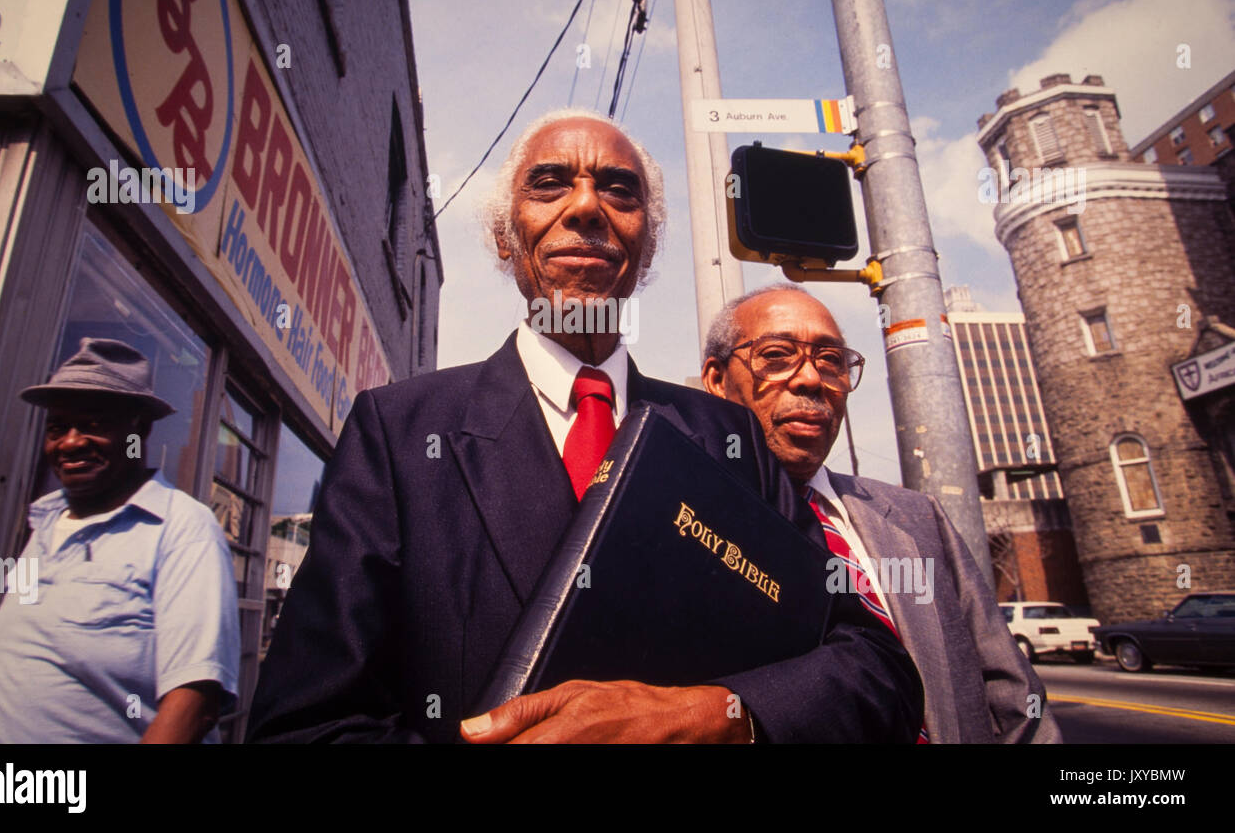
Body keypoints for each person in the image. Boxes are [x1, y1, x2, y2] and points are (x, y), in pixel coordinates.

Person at [246, 109, 922, 743]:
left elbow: (876, 670)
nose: (586, 207)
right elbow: (306, 725)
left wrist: (720, 715)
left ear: (648, 242)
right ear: (505, 237)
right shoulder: (399, 434)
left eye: (618, 190)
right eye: (549, 185)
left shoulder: (730, 439)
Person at [700, 284, 1061, 743]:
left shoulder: (918, 517)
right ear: (716, 379)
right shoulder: (682, 519)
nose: (811, 379)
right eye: (777, 354)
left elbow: (1012, 695)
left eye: (831, 360)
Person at [0, 338, 240, 743]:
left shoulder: (181, 527)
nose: (71, 442)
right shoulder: (46, 521)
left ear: (139, 429)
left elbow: (195, 702)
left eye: (94, 425)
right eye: (58, 428)